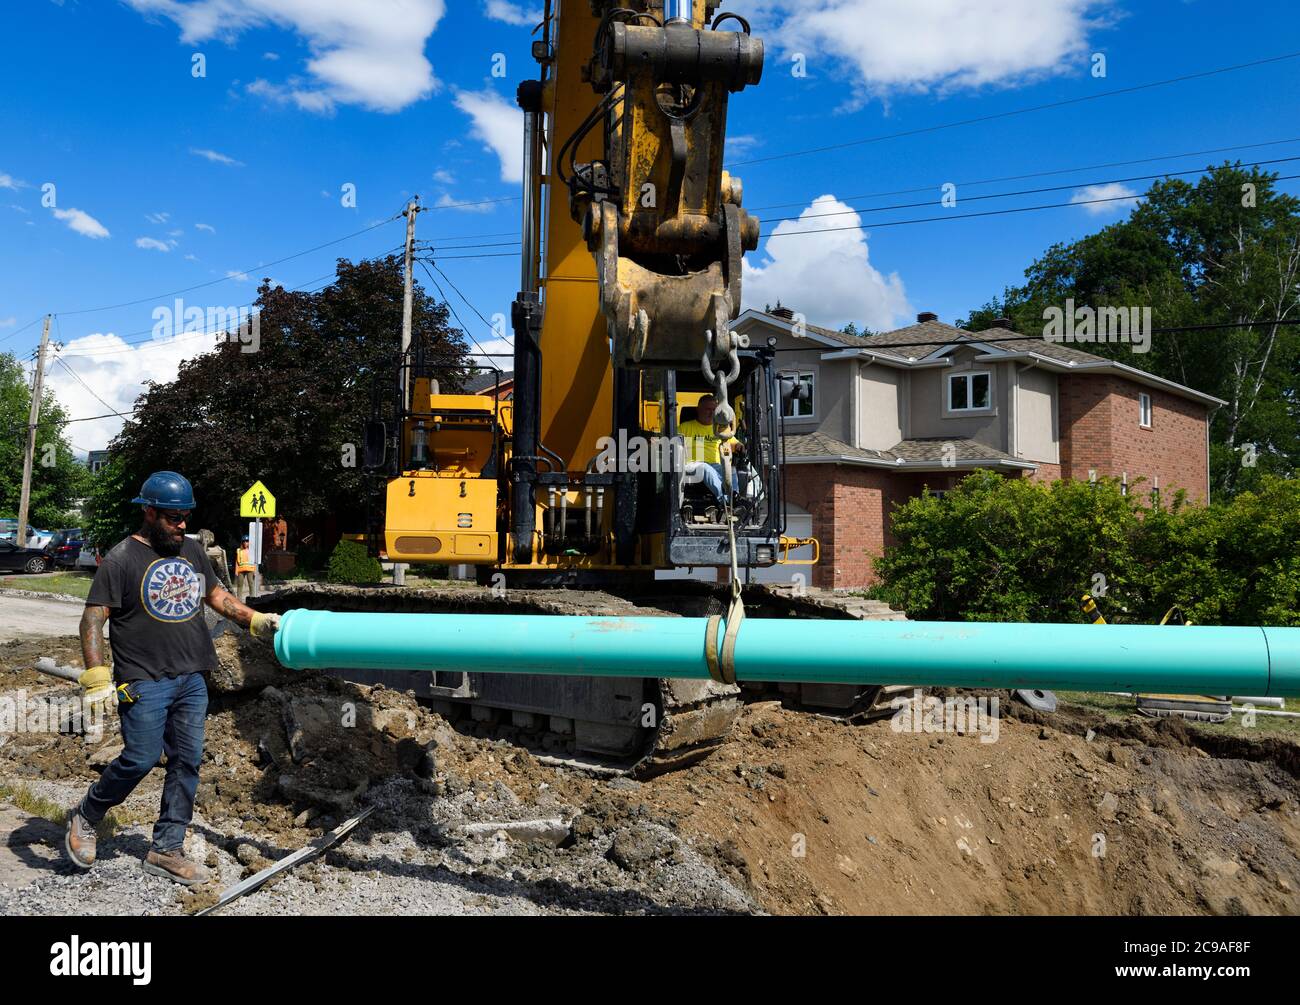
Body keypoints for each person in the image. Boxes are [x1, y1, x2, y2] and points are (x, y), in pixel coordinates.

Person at [64, 470, 281, 886]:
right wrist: (95, 675)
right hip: (143, 679)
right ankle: (87, 815)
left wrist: (256, 621)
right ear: (149, 512)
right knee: (141, 758)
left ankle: (166, 848)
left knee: (187, 761)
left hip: (192, 677)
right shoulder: (121, 558)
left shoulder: (191, 552)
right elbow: (93, 617)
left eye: (185, 516)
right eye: (172, 518)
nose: (181, 525)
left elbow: (215, 596)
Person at [677, 394, 741, 502]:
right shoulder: (685, 427)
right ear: (698, 409)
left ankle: (735, 499)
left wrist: (740, 446)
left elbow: (734, 444)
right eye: (708, 409)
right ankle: (725, 501)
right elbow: (672, 441)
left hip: (715, 465)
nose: (711, 413)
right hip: (692, 465)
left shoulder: (721, 429)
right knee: (705, 468)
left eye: (714, 410)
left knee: (731, 470)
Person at [234, 534, 256, 601]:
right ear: (242, 542)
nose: (245, 543)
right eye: (244, 541)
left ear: (249, 542)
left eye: (247, 541)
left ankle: (252, 598)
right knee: (240, 585)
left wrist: (255, 571)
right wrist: (236, 571)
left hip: (250, 569)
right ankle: (239, 600)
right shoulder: (239, 550)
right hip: (241, 570)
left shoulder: (252, 551)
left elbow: (254, 561)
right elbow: (237, 561)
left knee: (251, 583)